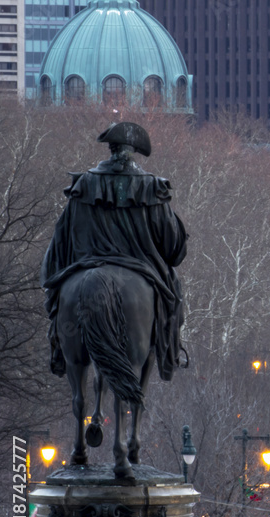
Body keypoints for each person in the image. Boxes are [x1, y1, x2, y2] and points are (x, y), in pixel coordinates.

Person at [41, 122, 188, 380]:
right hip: (140, 267)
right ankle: (171, 352)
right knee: (173, 297)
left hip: (86, 264)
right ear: (134, 151)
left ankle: (57, 347)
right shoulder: (152, 187)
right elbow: (172, 247)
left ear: (111, 149)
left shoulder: (83, 184)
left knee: (60, 300)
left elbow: (61, 236)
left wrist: (53, 276)